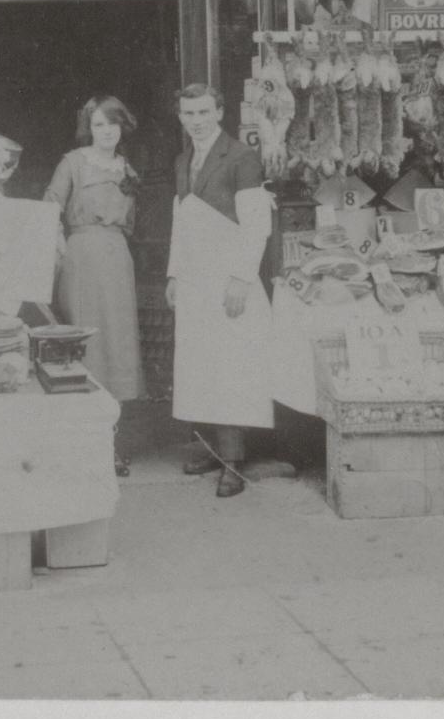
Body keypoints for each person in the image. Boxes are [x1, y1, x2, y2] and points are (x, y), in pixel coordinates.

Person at [165, 82, 274, 499]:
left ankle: (234, 462)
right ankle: (214, 449)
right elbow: (181, 222)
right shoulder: (183, 159)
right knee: (202, 365)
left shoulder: (242, 158)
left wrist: (243, 279)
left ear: (220, 113)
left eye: (203, 113)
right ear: (181, 117)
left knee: (231, 366)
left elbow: (257, 225)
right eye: (188, 114)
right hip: (196, 279)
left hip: (230, 279)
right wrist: (174, 275)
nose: (196, 121)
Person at [44, 95, 144, 476]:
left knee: (117, 342)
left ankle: (114, 443)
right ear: (89, 128)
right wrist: (58, 247)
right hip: (81, 257)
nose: (107, 132)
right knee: (85, 343)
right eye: (99, 125)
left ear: (123, 127)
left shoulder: (127, 169)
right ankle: (84, 444)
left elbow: (131, 221)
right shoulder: (73, 163)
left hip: (116, 257)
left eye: (113, 124)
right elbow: (50, 206)